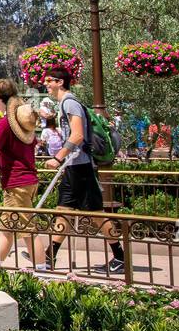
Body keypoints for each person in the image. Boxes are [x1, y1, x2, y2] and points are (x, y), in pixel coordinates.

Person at [42, 66, 123, 273]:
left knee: (96, 213)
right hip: (74, 166)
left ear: (60, 82)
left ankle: (121, 257)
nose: (46, 84)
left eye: (50, 80)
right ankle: (49, 256)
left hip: (81, 165)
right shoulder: (65, 103)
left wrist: (57, 158)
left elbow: (77, 135)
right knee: (64, 211)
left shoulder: (70, 102)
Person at [0, 80, 41, 267]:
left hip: (17, 182)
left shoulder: (5, 123)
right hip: (26, 180)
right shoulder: (21, 122)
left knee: (28, 230)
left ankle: (43, 270)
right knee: (7, 228)